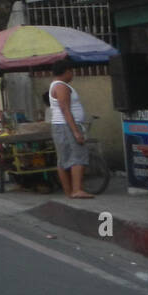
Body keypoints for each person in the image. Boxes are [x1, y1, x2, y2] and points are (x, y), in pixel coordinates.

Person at [48, 60, 91, 199]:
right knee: (78, 157)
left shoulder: (56, 85)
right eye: (71, 71)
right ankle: (77, 189)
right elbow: (65, 109)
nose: (72, 74)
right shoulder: (61, 86)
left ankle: (69, 191)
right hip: (66, 126)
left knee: (64, 158)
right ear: (66, 71)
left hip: (61, 126)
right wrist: (76, 131)